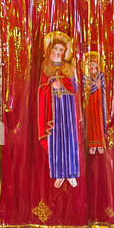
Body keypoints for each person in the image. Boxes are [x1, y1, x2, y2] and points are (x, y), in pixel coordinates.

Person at [38, 33, 81, 188]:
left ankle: (71, 172)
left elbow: (74, 87)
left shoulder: (68, 67)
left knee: (69, 138)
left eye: (61, 50)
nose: (57, 52)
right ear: (51, 49)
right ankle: (58, 173)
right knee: (56, 139)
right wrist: (50, 85)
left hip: (67, 108)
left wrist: (63, 84)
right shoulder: (46, 67)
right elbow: (41, 89)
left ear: (65, 53)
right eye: (55, 48)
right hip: (53, 107)